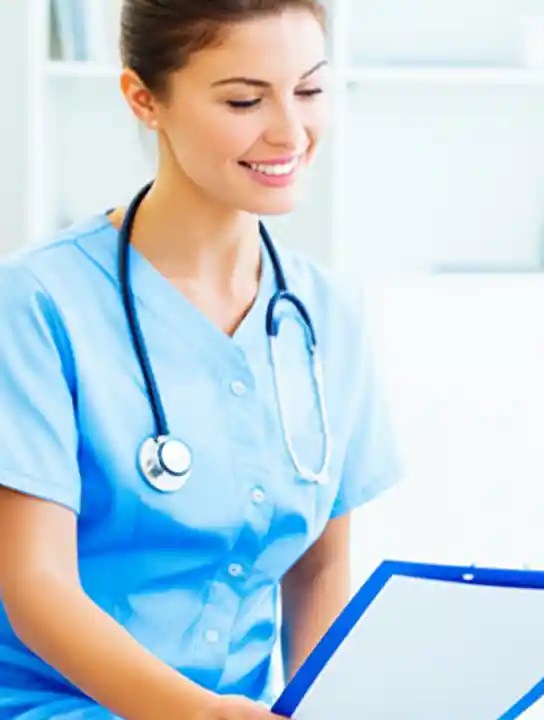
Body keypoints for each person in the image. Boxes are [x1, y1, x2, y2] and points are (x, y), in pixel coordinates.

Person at [0, 1, 402, 718]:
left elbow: (318, 568)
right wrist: (198, 714)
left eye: (309, 90)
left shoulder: (326, 313)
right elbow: (35, 586)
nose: (290, 131)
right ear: (143, 99)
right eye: (245, 99)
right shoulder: (37, 303)